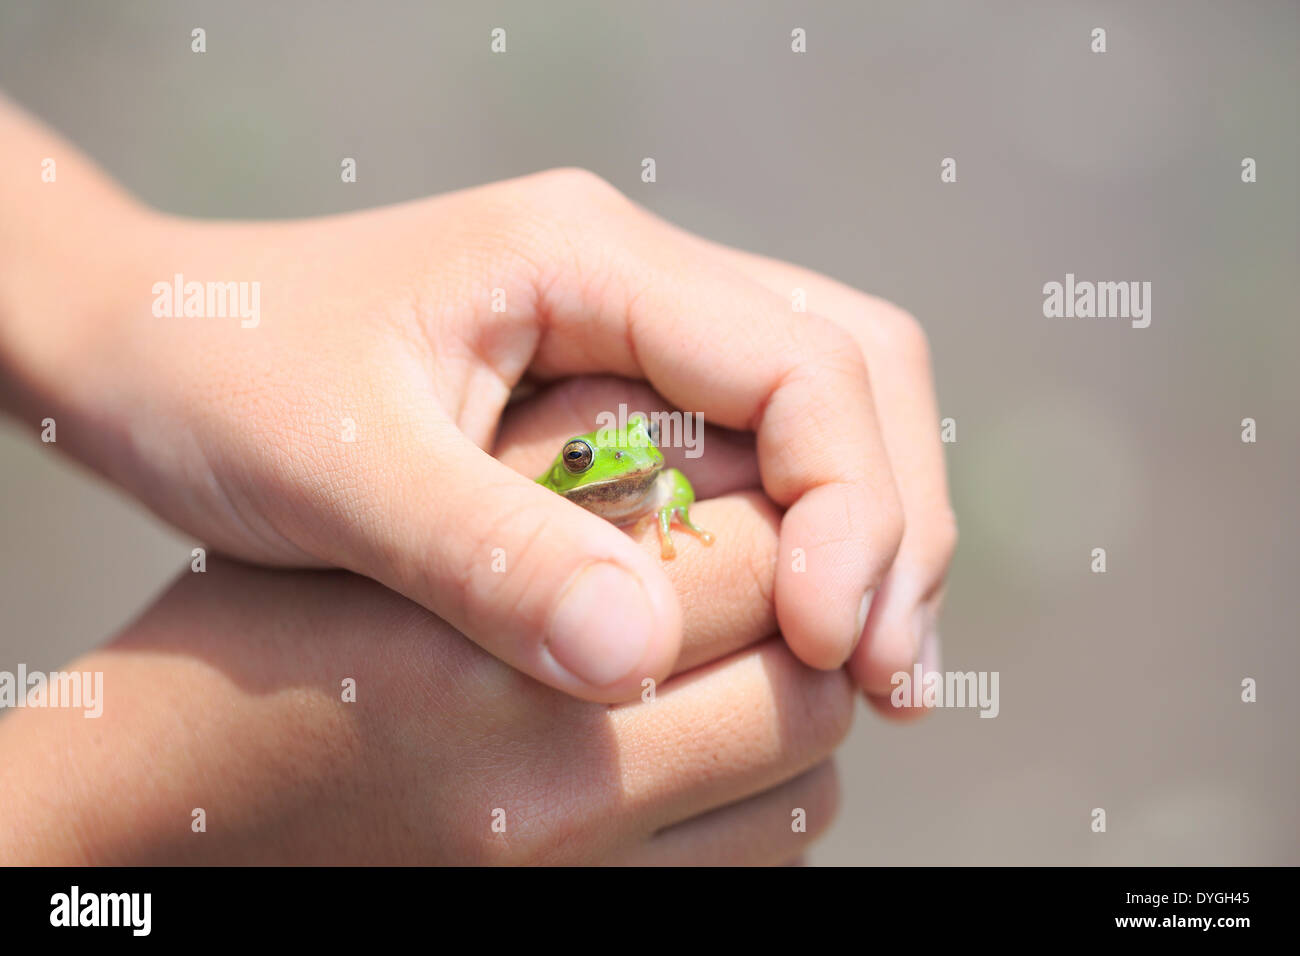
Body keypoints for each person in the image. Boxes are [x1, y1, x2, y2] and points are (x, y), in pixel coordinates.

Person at [0, 94, 954, 862]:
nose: (620, 464)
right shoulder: (547, 492)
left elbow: (665, 483)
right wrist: (114, 808)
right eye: (592, 454)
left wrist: (108, 299)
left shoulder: (649, 480)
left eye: (630, 449)